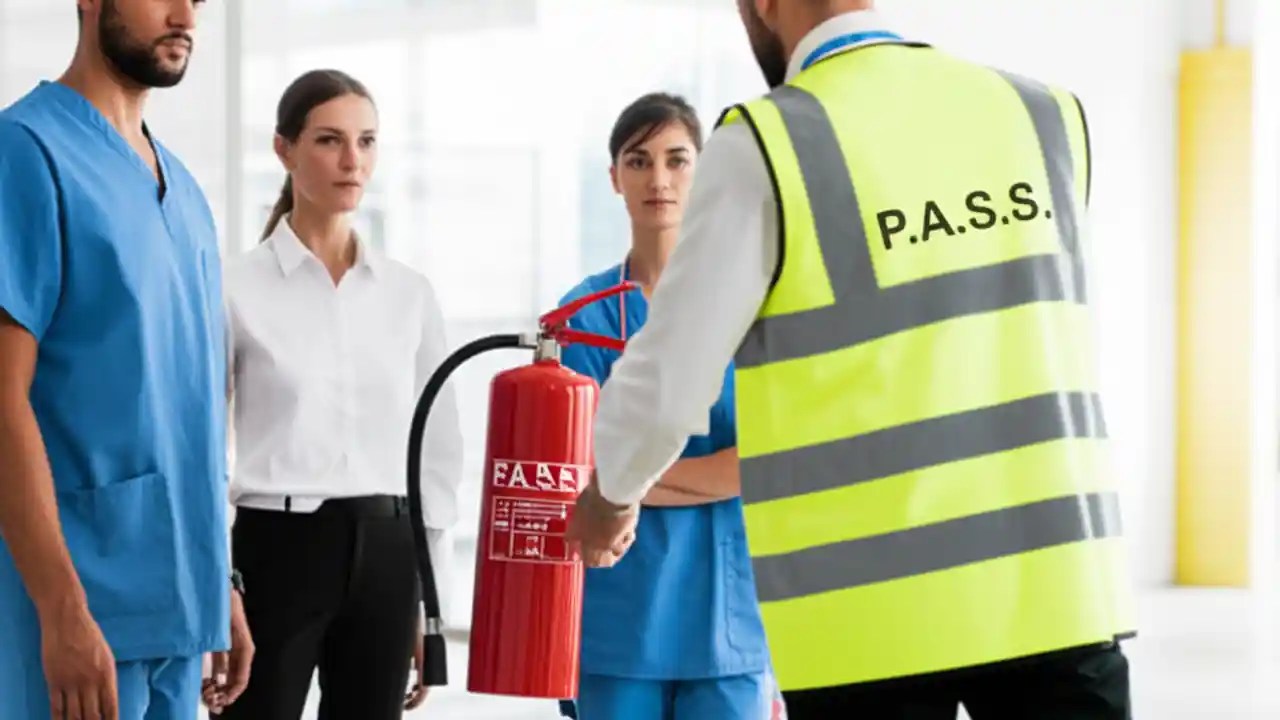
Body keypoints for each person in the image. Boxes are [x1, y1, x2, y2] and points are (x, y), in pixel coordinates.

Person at [568, 1, 1136, 719]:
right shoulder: (1045, 115)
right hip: (1056, 593)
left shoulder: (770, 143)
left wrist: (608, 497)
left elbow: (668, 380)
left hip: (869, 621)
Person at [0, 1, 253, 719]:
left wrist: (220, 581)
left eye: (198, 0)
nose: (185, 16)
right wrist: (60, 606)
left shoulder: (185, 191)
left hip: (179, 603)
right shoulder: (25, 152)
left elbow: (193, 406)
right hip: (74, 611)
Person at [213, 69, 464, 720]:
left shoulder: (410, 295)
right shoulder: (233, 287)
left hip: (388, 552)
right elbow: (203, 444)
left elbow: (437, 456)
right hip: (274, 552)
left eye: (367, 141)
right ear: (283, 150)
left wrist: (426, 597)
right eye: (329, 140)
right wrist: (220, 582)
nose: (353, 160)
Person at [555, 93, 777, 720]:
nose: (658, 178)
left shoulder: (752, 308)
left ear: (701, 172)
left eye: (677, 160)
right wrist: (705, 476)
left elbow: (761, 460)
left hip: (728, 621)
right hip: (618, 621)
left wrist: (626, 475)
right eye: (639, 160)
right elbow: (576, 465)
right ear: (614, 178)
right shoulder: (582, 315)